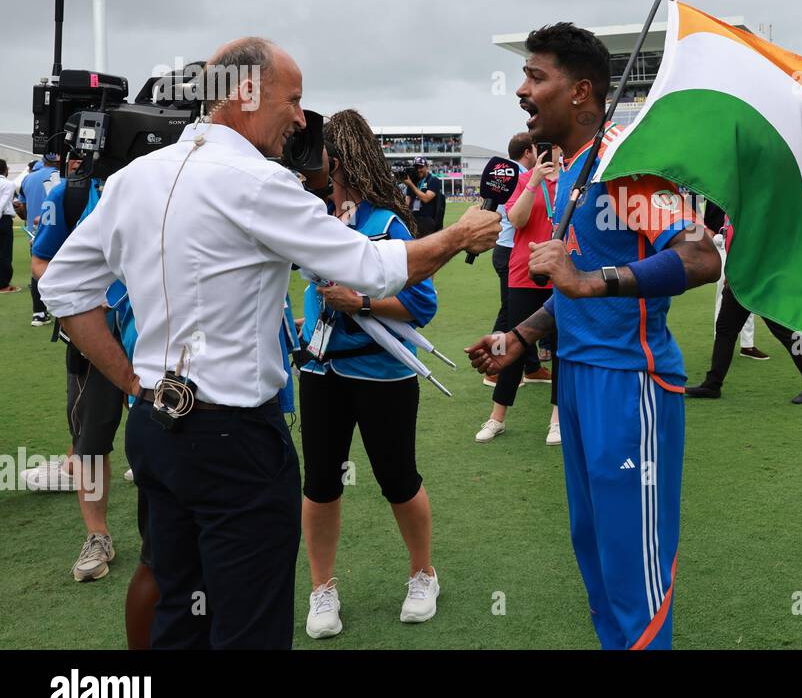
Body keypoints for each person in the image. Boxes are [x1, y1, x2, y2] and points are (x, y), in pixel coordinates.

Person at [39, 37, 500, 649]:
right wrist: (457, 235)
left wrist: (130, 382)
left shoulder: (133, 178)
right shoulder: (255, 181)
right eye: (295, 98)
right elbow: (373, 267)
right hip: (234, 440)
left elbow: (66, 287)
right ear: (246, 93)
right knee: (250, 624)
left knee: (179, 611)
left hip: (154, 427)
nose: (302, 118)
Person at [466, 22, 721, 649]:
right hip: (578, 378)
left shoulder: (625, 166)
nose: (522, 90)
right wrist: (523, 336)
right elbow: (566, 285)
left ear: (581, 92)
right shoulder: (570, 170)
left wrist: (590, 281)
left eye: (536, 76)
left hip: (629, 384)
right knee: (595, 548)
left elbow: (698, 256)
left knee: (633, 564)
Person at [296, 109, 441, 639]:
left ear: (340, 159)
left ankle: (423, 573)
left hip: (382, 374)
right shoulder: (312, 218)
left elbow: (422, 305)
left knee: (398, 480)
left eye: (319, 154)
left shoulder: (387, 223)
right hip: (320, 370)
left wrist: (361, 301)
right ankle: (321, 587)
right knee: (319, 484)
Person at [30, 155, 135, 580]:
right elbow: (41, 261)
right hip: (96, 342)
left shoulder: (162, 183)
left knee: (175, 431)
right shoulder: (72, 195)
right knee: (90, 444)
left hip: (159, 336)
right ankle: (97, 534)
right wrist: (85, 306)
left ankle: (175, 530)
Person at [686, 212, 802, 404]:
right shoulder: (737, 207)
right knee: (725, 329)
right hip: (740, 281)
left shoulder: (757, 208)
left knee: (789, 334)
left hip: (762, 284)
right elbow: (736, 243)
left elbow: (766, 246)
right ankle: (713, 384)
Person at [475, 143, 562, 445]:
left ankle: (557, 419)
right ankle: (497, 417)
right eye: (544, 145)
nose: (550, 151)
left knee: (562, 348)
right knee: (513, 344)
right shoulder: (524, 180)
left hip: (562, 272)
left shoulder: (574, 180)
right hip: (524, 272)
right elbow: (518, 220)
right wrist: (535, 181)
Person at [486, 132, 543, 386]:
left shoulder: (504, 174)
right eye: (536, 149)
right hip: (511, 248)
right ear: (528, 152)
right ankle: (495, 368)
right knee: (509, 312)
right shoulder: (519, 177)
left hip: (507, 247)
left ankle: (531, 366)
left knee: (523, 312)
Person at [701, 200, 767, 361]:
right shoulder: (712, 182)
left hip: (742, 240)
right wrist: (703, 232)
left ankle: (747, 345)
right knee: (724, 295)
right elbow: (694, 206)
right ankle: (720, 342)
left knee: (746, 293)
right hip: (721, 240)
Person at [14, 151, 60, 325]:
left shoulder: (28, 178)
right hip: (57, 231)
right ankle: (61, 312)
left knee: (37, 271)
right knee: (61, 270)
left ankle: (38, 313)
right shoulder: (61, 176)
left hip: (35, 232)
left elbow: (22, 208)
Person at [403, 158, 446, 236]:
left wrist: (411, 185)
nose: (419, 170)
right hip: (413, 220)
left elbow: (426, 198)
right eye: (416, 168)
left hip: (428, 221)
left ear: (427, 167)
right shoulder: (412, 181)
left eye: (421, 167)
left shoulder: (433, 180)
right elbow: (407, 202)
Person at [0, 161, 17, 293]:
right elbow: (2, 203)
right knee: (5, 252)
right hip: (3, 220)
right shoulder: (8, 184)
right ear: (5, 169)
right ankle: (3, 284)